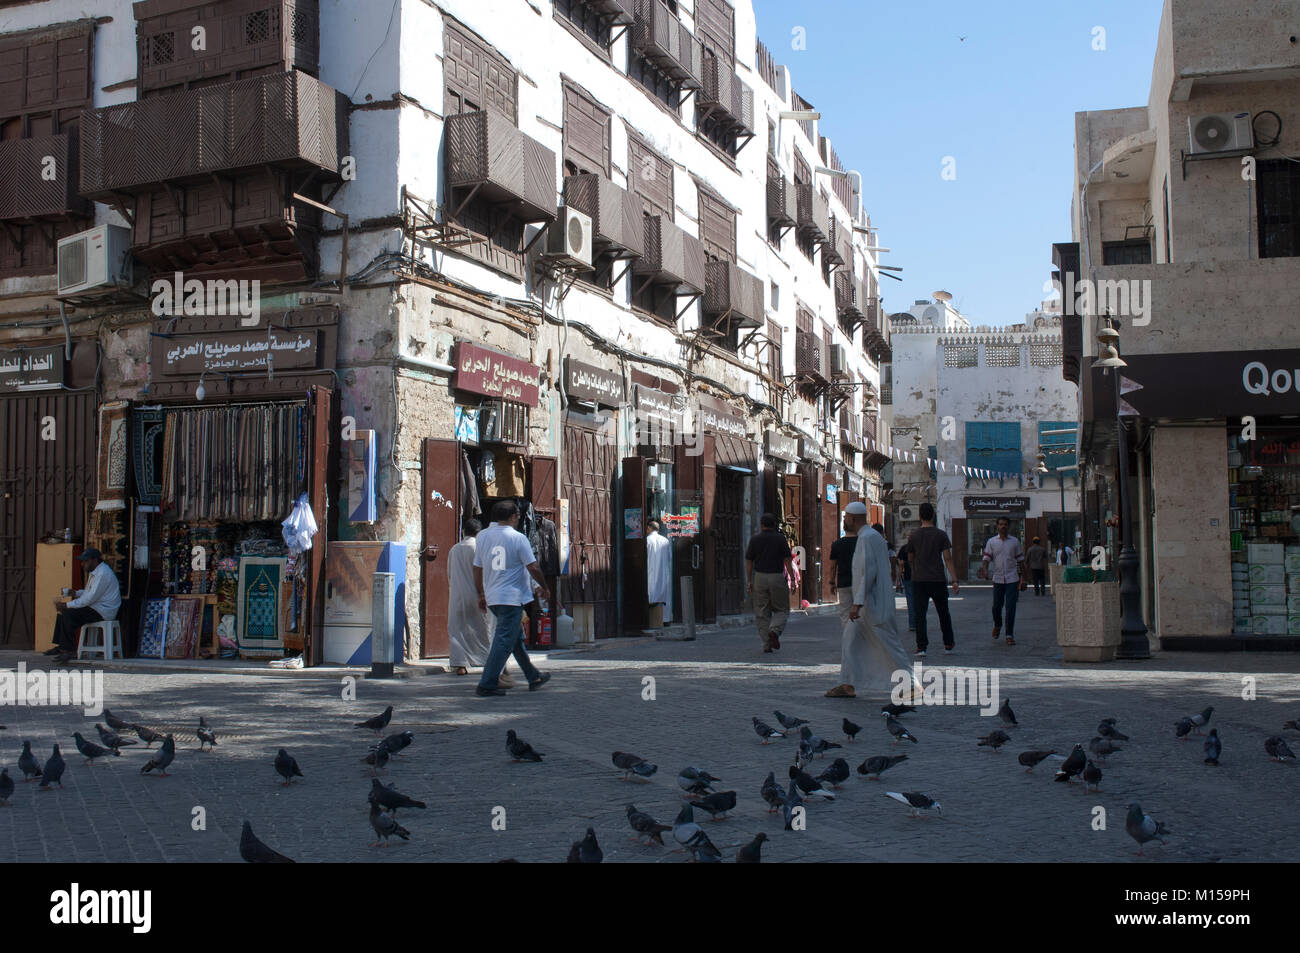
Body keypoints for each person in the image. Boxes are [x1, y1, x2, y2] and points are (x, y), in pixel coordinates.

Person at [825, 504, 921, 699]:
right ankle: (847, 683)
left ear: (853, 518)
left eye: (846, 517)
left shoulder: (867, 538)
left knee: (888, 643)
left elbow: (867, 573)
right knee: (850, 641)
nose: (844, 520)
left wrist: (857, 603)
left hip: (872, 604)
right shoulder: (870, 537)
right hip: (868, 603)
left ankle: (911, 684)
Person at [473, 501, 552, 697]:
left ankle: (533, 676)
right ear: (514, 517)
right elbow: (532, 567)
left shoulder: (482, 536)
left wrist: (481, 593)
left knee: (515, 639)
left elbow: (477, 568)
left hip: (493, 595)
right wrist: (543, 586)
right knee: (503, 641)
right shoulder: (518, 538)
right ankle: (487, 683)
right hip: (511, 597)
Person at [447, 520, 513, 685]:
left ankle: (460, 665)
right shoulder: (481, 548)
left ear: (464, 532)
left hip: (457, 596)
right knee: (486, 632)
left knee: (458, 631)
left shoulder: (454, 549)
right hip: (478, 596)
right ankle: (497, 666)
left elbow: (449, 573)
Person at [48, 548, 121, 663]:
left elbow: (89, 598)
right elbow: (89, 593)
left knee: (69, 614)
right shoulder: (96, 573)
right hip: (97, 607)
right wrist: (75, 593)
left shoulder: (102, 574)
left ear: (95, 560)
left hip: (103, 610)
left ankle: (69, 651)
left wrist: (67, 605)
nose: (83, 564)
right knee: (65, 612)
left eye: (85, 561)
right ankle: (62, 647)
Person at [907, 502, 959, 656]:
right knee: (943, 613)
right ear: (933, 516)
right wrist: (954, 580)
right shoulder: (941, 535)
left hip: (919, 580)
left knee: (920, 614)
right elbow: (948, 559)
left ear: (919, 516)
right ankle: (948, 643)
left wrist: (915, 567)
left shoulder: (913, 536)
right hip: (937, 579)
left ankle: (921, 647)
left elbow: (910, 557)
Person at [745, 512, 799, 653]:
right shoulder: (780, 539)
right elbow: (788, 560)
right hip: (776, 576)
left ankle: (766, 644)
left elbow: (749, 561)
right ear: (774, 525)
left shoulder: (755, 539)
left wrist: (749, 581)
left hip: (760, 577)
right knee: (782, 609)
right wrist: (792, 579)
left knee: (762, 612)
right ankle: (774, 631)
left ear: (762, 524)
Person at [980, 517, 1027, 646]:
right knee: (996, 607)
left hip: (1012, 579)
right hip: (998, 579)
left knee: (1011, 607)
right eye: (1001, 524)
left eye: (1005, 524)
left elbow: (1021, 561)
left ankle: (1009, 635)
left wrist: (1024, 579)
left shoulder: (1015, 542)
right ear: (997, 526)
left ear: (1009, 526)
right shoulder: (992, 542)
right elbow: (986, 559)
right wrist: (985, 570)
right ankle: (998, 624)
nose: (1003, 527)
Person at [828, 511, 859, 632]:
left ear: (843, 527)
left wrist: (831, 582)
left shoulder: (837, 544)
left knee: (846, 614)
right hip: (860, 582)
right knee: (862, 613)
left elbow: (832, 566)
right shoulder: (861, 542)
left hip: (843, 582)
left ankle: (848, 638)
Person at [645, 519, 672, 627]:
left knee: (651, 594)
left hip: (650, 571)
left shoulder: (647, 540)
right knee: (664, 595)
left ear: (649, 528)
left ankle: (651, 620)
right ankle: (665, 619)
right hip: (663, 573)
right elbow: (669, 558)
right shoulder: (665, 541)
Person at [895, 539, 917, 631]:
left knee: (910, 600)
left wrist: (898, 580)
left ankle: (912, 624)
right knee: (920, 601)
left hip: (908, 577)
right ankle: (920, 622)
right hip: (920, 576)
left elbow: (901, 565)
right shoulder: (919, 547)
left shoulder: (904, 548)